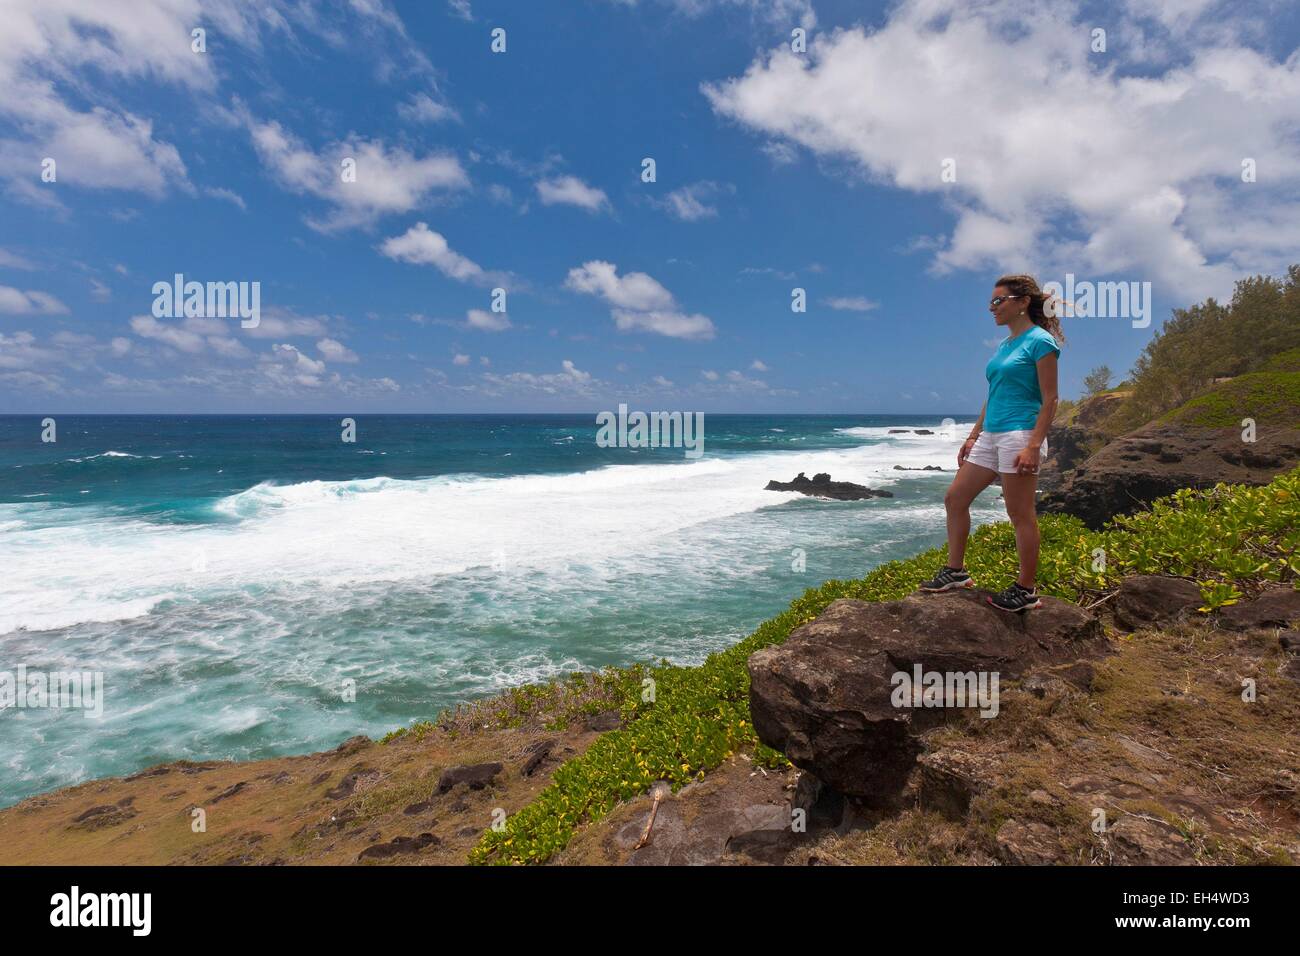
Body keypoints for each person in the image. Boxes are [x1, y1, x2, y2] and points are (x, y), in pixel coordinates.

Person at [919, 274, 1063, 611]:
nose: (992, 308)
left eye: (999, 301)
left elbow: (1051, 399)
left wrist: (1033, 446)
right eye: (990, 303)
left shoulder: (1041, 342)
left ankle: (1026, 590)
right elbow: (993, 394)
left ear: (1022, 302)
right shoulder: (1004, 346)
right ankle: (955, 571)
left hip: (1020, 434)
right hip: (991, 434)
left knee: (1019, 513)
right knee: (955, 498)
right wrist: (973, 435)